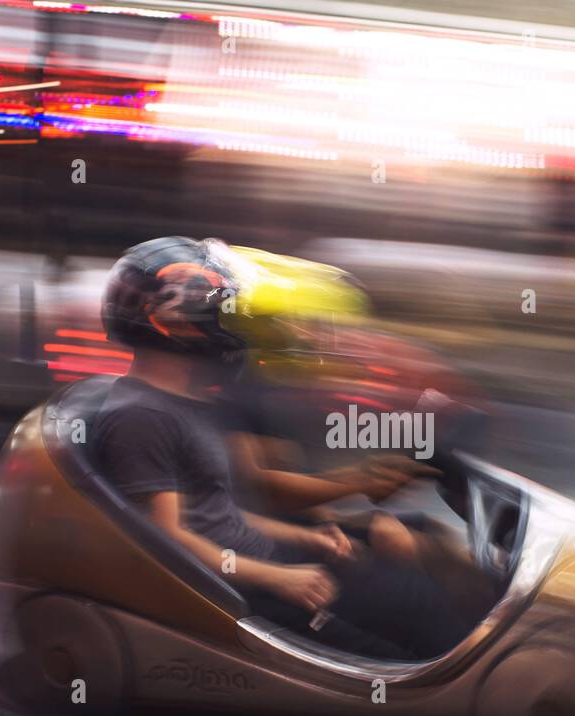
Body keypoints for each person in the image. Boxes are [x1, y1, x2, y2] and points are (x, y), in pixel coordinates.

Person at [91, 236, 476, 661]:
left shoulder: (188, 403)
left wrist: (309, 537)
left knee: (409, 579)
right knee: (411, 601)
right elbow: (167, 540)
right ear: (175, 320)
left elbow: (220, 513)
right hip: (244, 588)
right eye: (221, 313)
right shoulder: (141, 416)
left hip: (261, 557)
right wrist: (279, 578)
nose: (230, 327)